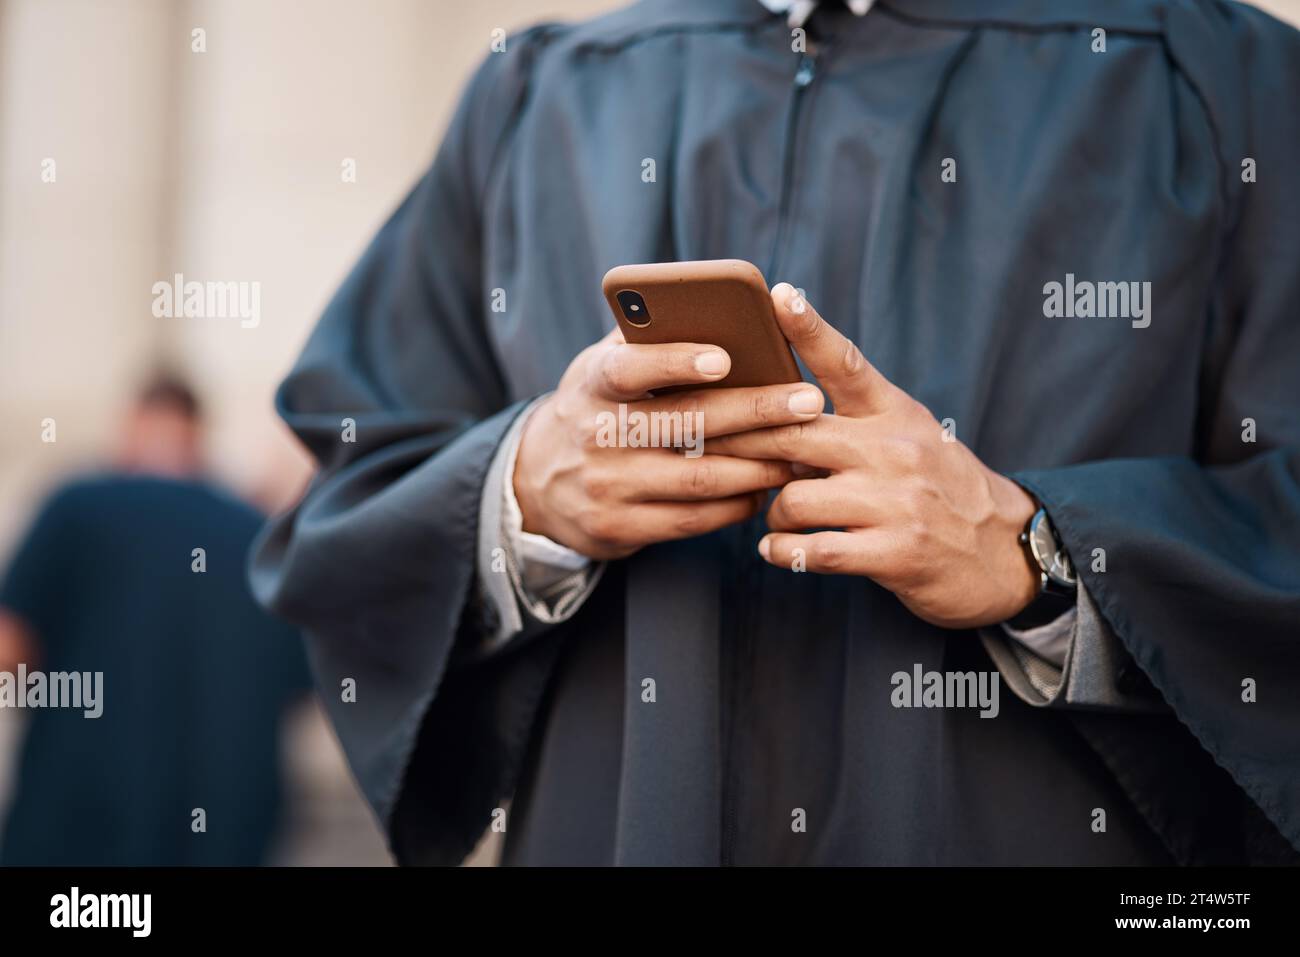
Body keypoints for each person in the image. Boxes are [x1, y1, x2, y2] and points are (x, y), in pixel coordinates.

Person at [251, 0, 1300, 865]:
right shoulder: (541, 98)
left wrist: (1043, 556)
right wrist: (517, 496)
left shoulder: (1219, 85)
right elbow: (350, 501)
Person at [0, 376, 311, 865]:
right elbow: (304, 682)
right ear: (198, 432)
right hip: (225, 837)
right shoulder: (257, 536)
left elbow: (8, 651)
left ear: (131, 424)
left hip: (76, 835)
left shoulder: (76, 507)